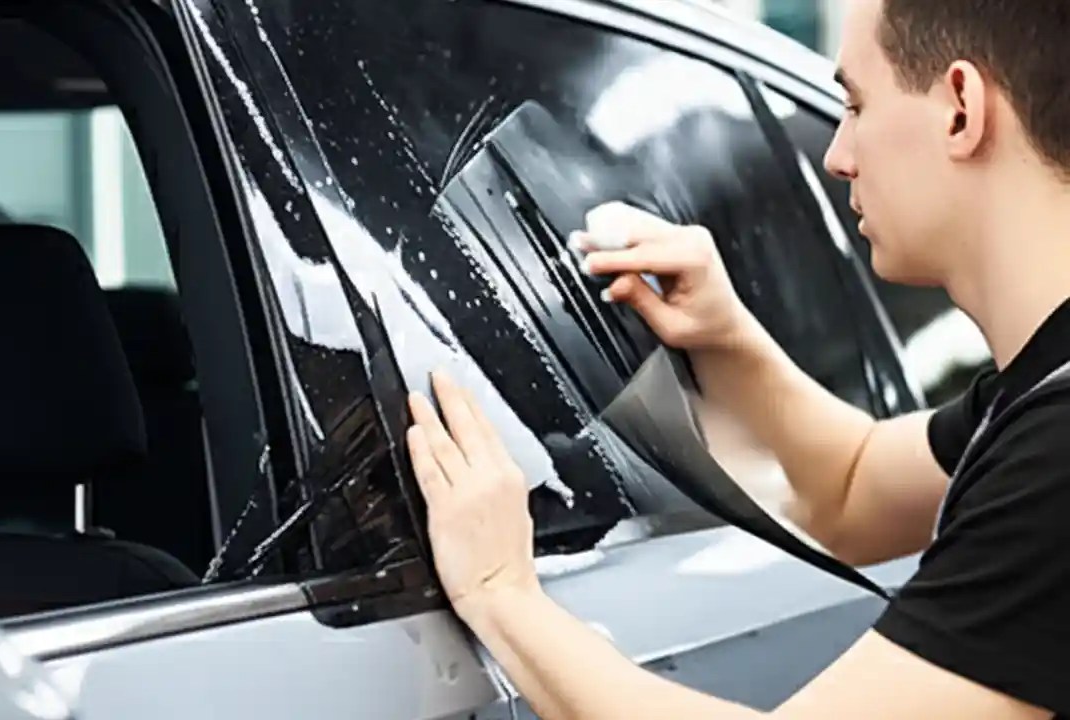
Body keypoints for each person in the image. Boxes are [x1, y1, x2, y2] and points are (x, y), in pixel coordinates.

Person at [405, 0, 1070, 718]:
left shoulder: (1057, 456)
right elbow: (851, 493)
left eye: (856, 104)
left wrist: (503, 594)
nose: (837, 154)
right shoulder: (1032, 401)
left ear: (961, 110)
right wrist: (725, 335)